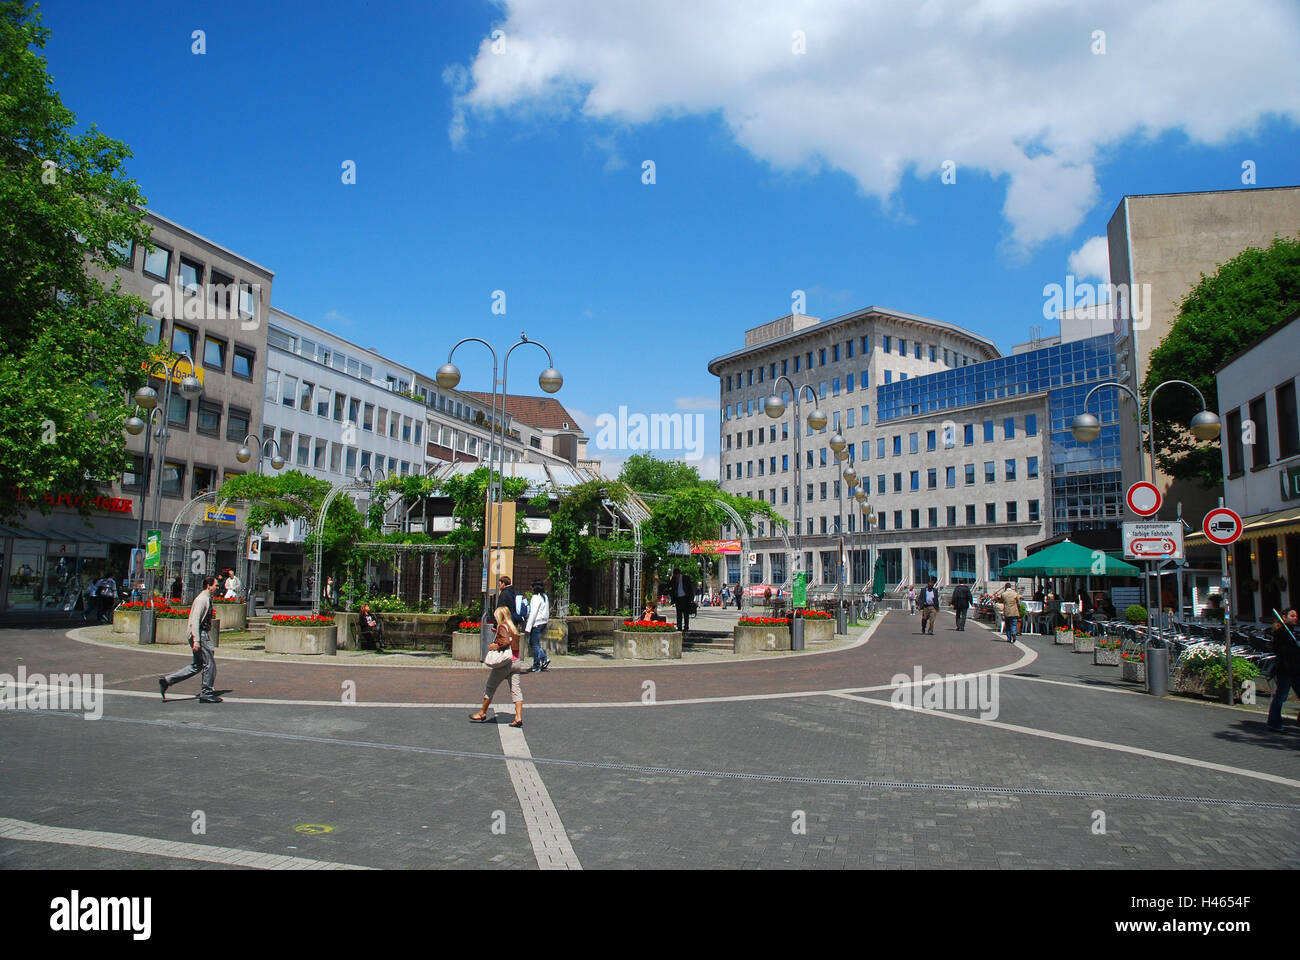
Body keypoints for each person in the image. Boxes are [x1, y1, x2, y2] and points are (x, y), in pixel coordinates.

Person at [159, 575, 222, 703]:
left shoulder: (206, 598)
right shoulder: (202, 599)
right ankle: (206, 692)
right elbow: (195, 620)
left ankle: (167, 681)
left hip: (200, 634)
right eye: (215, 585)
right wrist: (197, 640)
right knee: (209, 664)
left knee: (197, 665)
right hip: (200, 634)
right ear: (208, 586)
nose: (217, 587)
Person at [470, 605, 526, 727]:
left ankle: (482, 712)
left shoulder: (502, 626)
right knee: (516, 690)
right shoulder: (513, 627)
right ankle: (518, 716)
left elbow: (505, 642)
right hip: (516, 662)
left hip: (505, 663)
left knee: (490, 687)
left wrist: (494, 646)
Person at [1267, 608, 1300, 732]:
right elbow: (1279, 650)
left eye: (1296, 616)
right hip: (1286, 670)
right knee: (1281, 697)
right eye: (1292, 615)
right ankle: (1274, 723)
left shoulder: (1293, 632)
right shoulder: (1281, 633)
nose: (1295, 618)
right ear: (1284, 618)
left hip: (1296, 670)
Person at [524, 580, 550, 672]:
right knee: (535, 643)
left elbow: (533, 613)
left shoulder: (535, 598)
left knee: (534, 644)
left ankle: (536, 665)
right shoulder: (544, 597)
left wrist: (528, 627)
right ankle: (544, 659)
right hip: (543, 622)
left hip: (536, 623)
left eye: (532, 586)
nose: (530, 588)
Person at [667, 567, 694, 632]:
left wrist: (691, 598)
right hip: (678, 598)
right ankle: (679, 627)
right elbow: (669, 585)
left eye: (676, 575)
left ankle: (686, 627)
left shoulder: (686, 578)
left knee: (686, 614)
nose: (676, 577)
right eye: (675, 576)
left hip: (685, 598)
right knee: (678, 614)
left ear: (679, 574)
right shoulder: (674, 579)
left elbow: (690, 588)